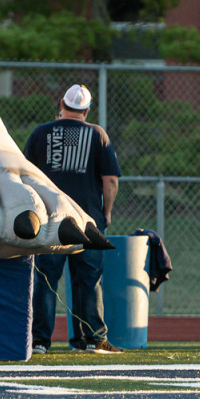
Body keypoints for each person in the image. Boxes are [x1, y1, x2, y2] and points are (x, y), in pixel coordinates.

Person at [24, 84, 123, 354]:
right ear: (87, 109)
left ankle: (39, 340)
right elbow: (110, 180)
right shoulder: (97, 134)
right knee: (88, 280)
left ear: (61, 103)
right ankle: (91, 339)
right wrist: (107, 211)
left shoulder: (40, 133)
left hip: (49, 219)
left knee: (46, 280)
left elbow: (25, 175)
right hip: (87, 220)